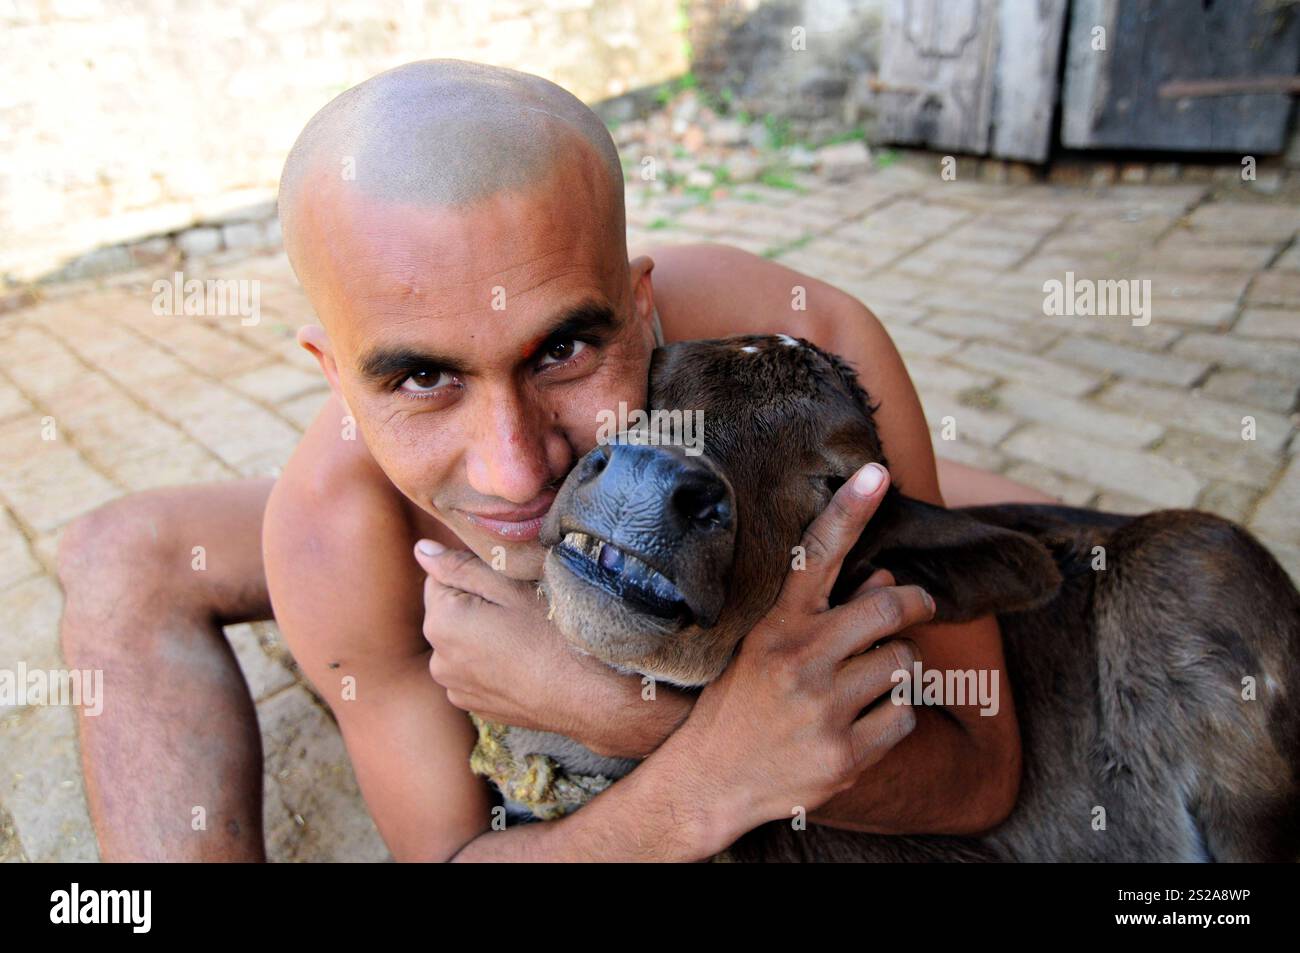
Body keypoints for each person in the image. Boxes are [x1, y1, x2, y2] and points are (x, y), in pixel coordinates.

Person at [58, 60, 1054, 861]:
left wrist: (632, 717)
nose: (515, 471)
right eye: (420, 377)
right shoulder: (335, 533)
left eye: (564, 350)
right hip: (383, 517)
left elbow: (980, 773)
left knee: (1024, 519)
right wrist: (705, 777)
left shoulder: (814, 337)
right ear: (333, 378)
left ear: (640, 306)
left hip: (728, 457)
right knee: (119, 548)